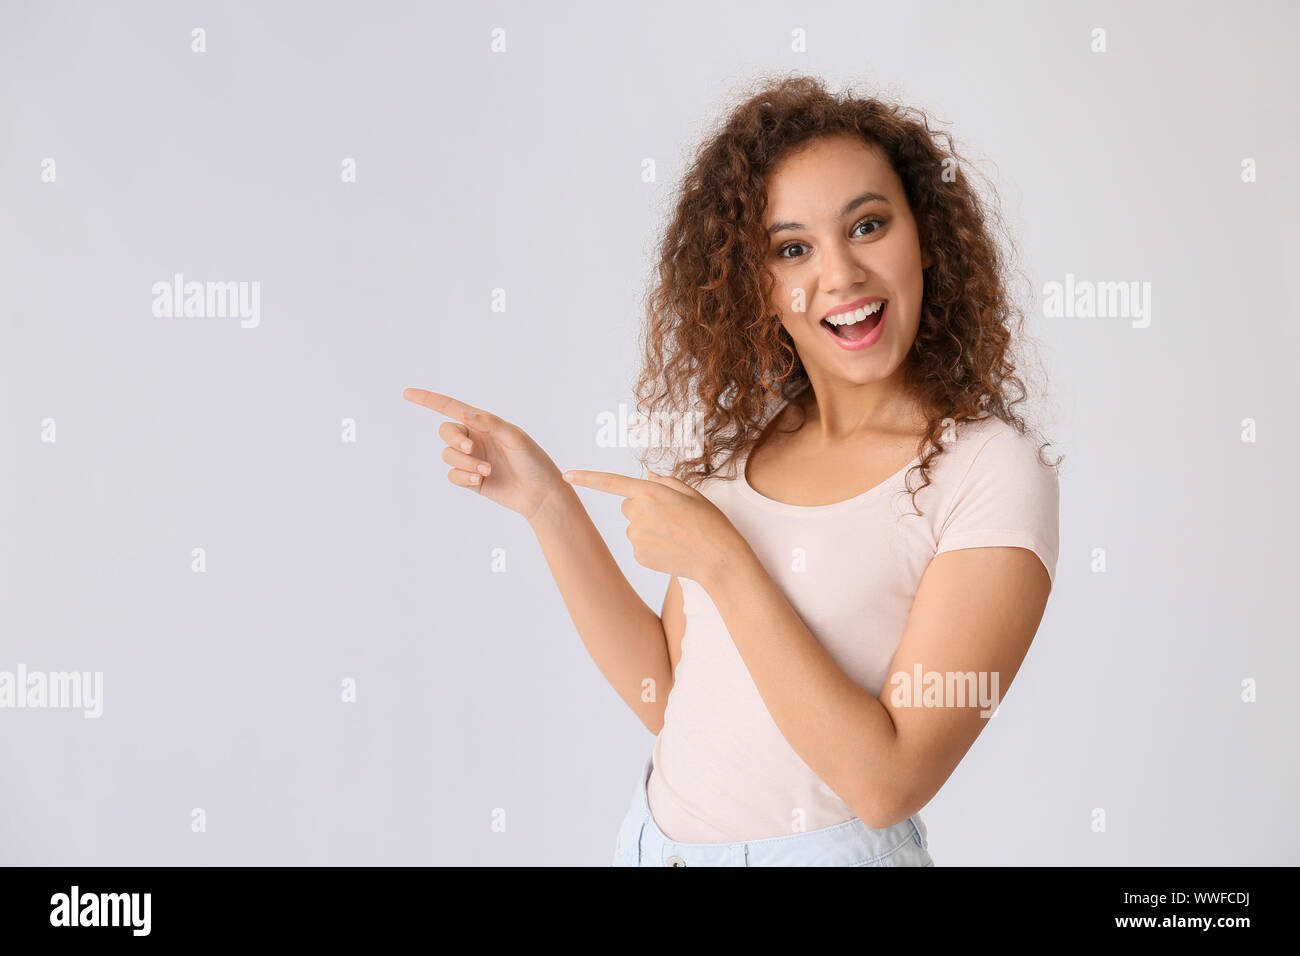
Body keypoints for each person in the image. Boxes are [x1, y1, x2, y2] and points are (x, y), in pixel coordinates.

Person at [403, 74, 1061, 867]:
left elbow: (889, 784)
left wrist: (722, 558)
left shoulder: (989, 471)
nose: (841, 274)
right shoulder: (741, 450)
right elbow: (667, 695)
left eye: (869, 225)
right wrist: (547, 505)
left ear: (924, 237)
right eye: (793, 249)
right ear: (760, 287)